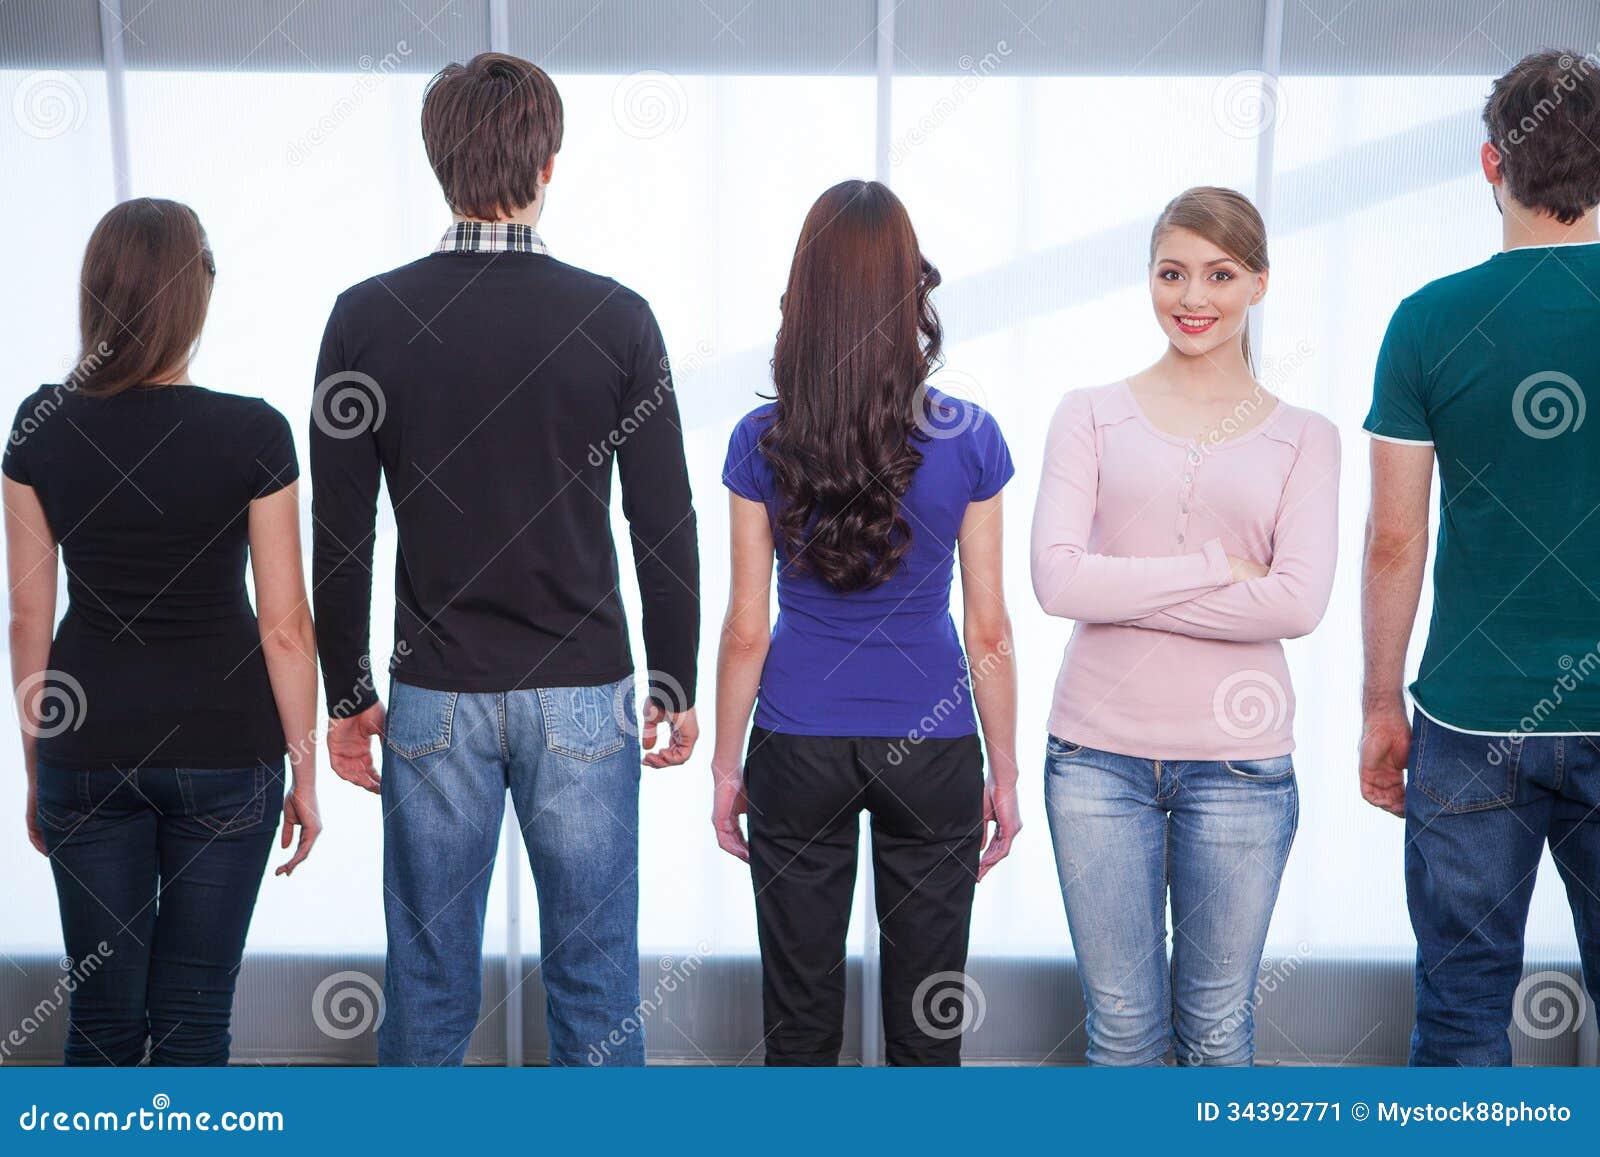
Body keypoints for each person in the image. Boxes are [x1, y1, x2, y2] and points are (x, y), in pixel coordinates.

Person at [310, 52, 700, 1067]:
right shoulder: (616, 317)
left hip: (434, 695)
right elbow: (663, 517)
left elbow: (343, 530)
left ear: (437, 160)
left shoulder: (367, 316)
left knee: (429, 984)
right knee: (598, 982)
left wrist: (345, 691)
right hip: (584, 694)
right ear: (551, 165)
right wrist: (676, 674)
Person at [711, 180, 1021, 1066]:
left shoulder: (760, 438)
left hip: (797, 747)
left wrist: (729, 770)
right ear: (907, 295)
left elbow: (744, 626)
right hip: (933, 747)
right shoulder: (969, 435)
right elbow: (989, 628)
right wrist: (1002, 776)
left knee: (800, 1025)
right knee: (929, 1029)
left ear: (803, 295)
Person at [3, 198, 319, 1066]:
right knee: (191, 1020)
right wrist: (306, 765)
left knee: (101, 1025)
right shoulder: (253, 431)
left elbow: (29, 616)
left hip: (87, 749)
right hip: (228, 754)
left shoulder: (39, 424)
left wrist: (40, 764)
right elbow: (286, 625)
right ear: (197, 300)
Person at [1032, 186, 1340, 1066]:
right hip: (1095, 760)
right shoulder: (1087, 413)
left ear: (1260, 284)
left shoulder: (1305, 437)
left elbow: (1296, 603)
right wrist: (1215, 568)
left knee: (1215, 1029)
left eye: (1220, 274)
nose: (1193, 298)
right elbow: (1057, 582)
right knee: (1123, 1031)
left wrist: (1120, 588)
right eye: (1172, 274)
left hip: (1240, 768)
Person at [1360, 49, 1600, 1066]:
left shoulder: (1426, 321)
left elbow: (1394, 537)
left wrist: (1380, 703)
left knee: (1459, 1013)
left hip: (1468, 723)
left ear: (1489, 164)